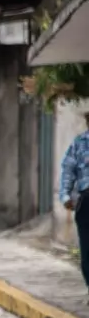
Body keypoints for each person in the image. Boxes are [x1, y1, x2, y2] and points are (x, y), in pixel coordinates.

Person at [60, 111, 89, 296]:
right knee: (87, 248)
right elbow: (68, 169)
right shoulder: (79, 143)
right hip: (87, 199)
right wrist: (65, 196)